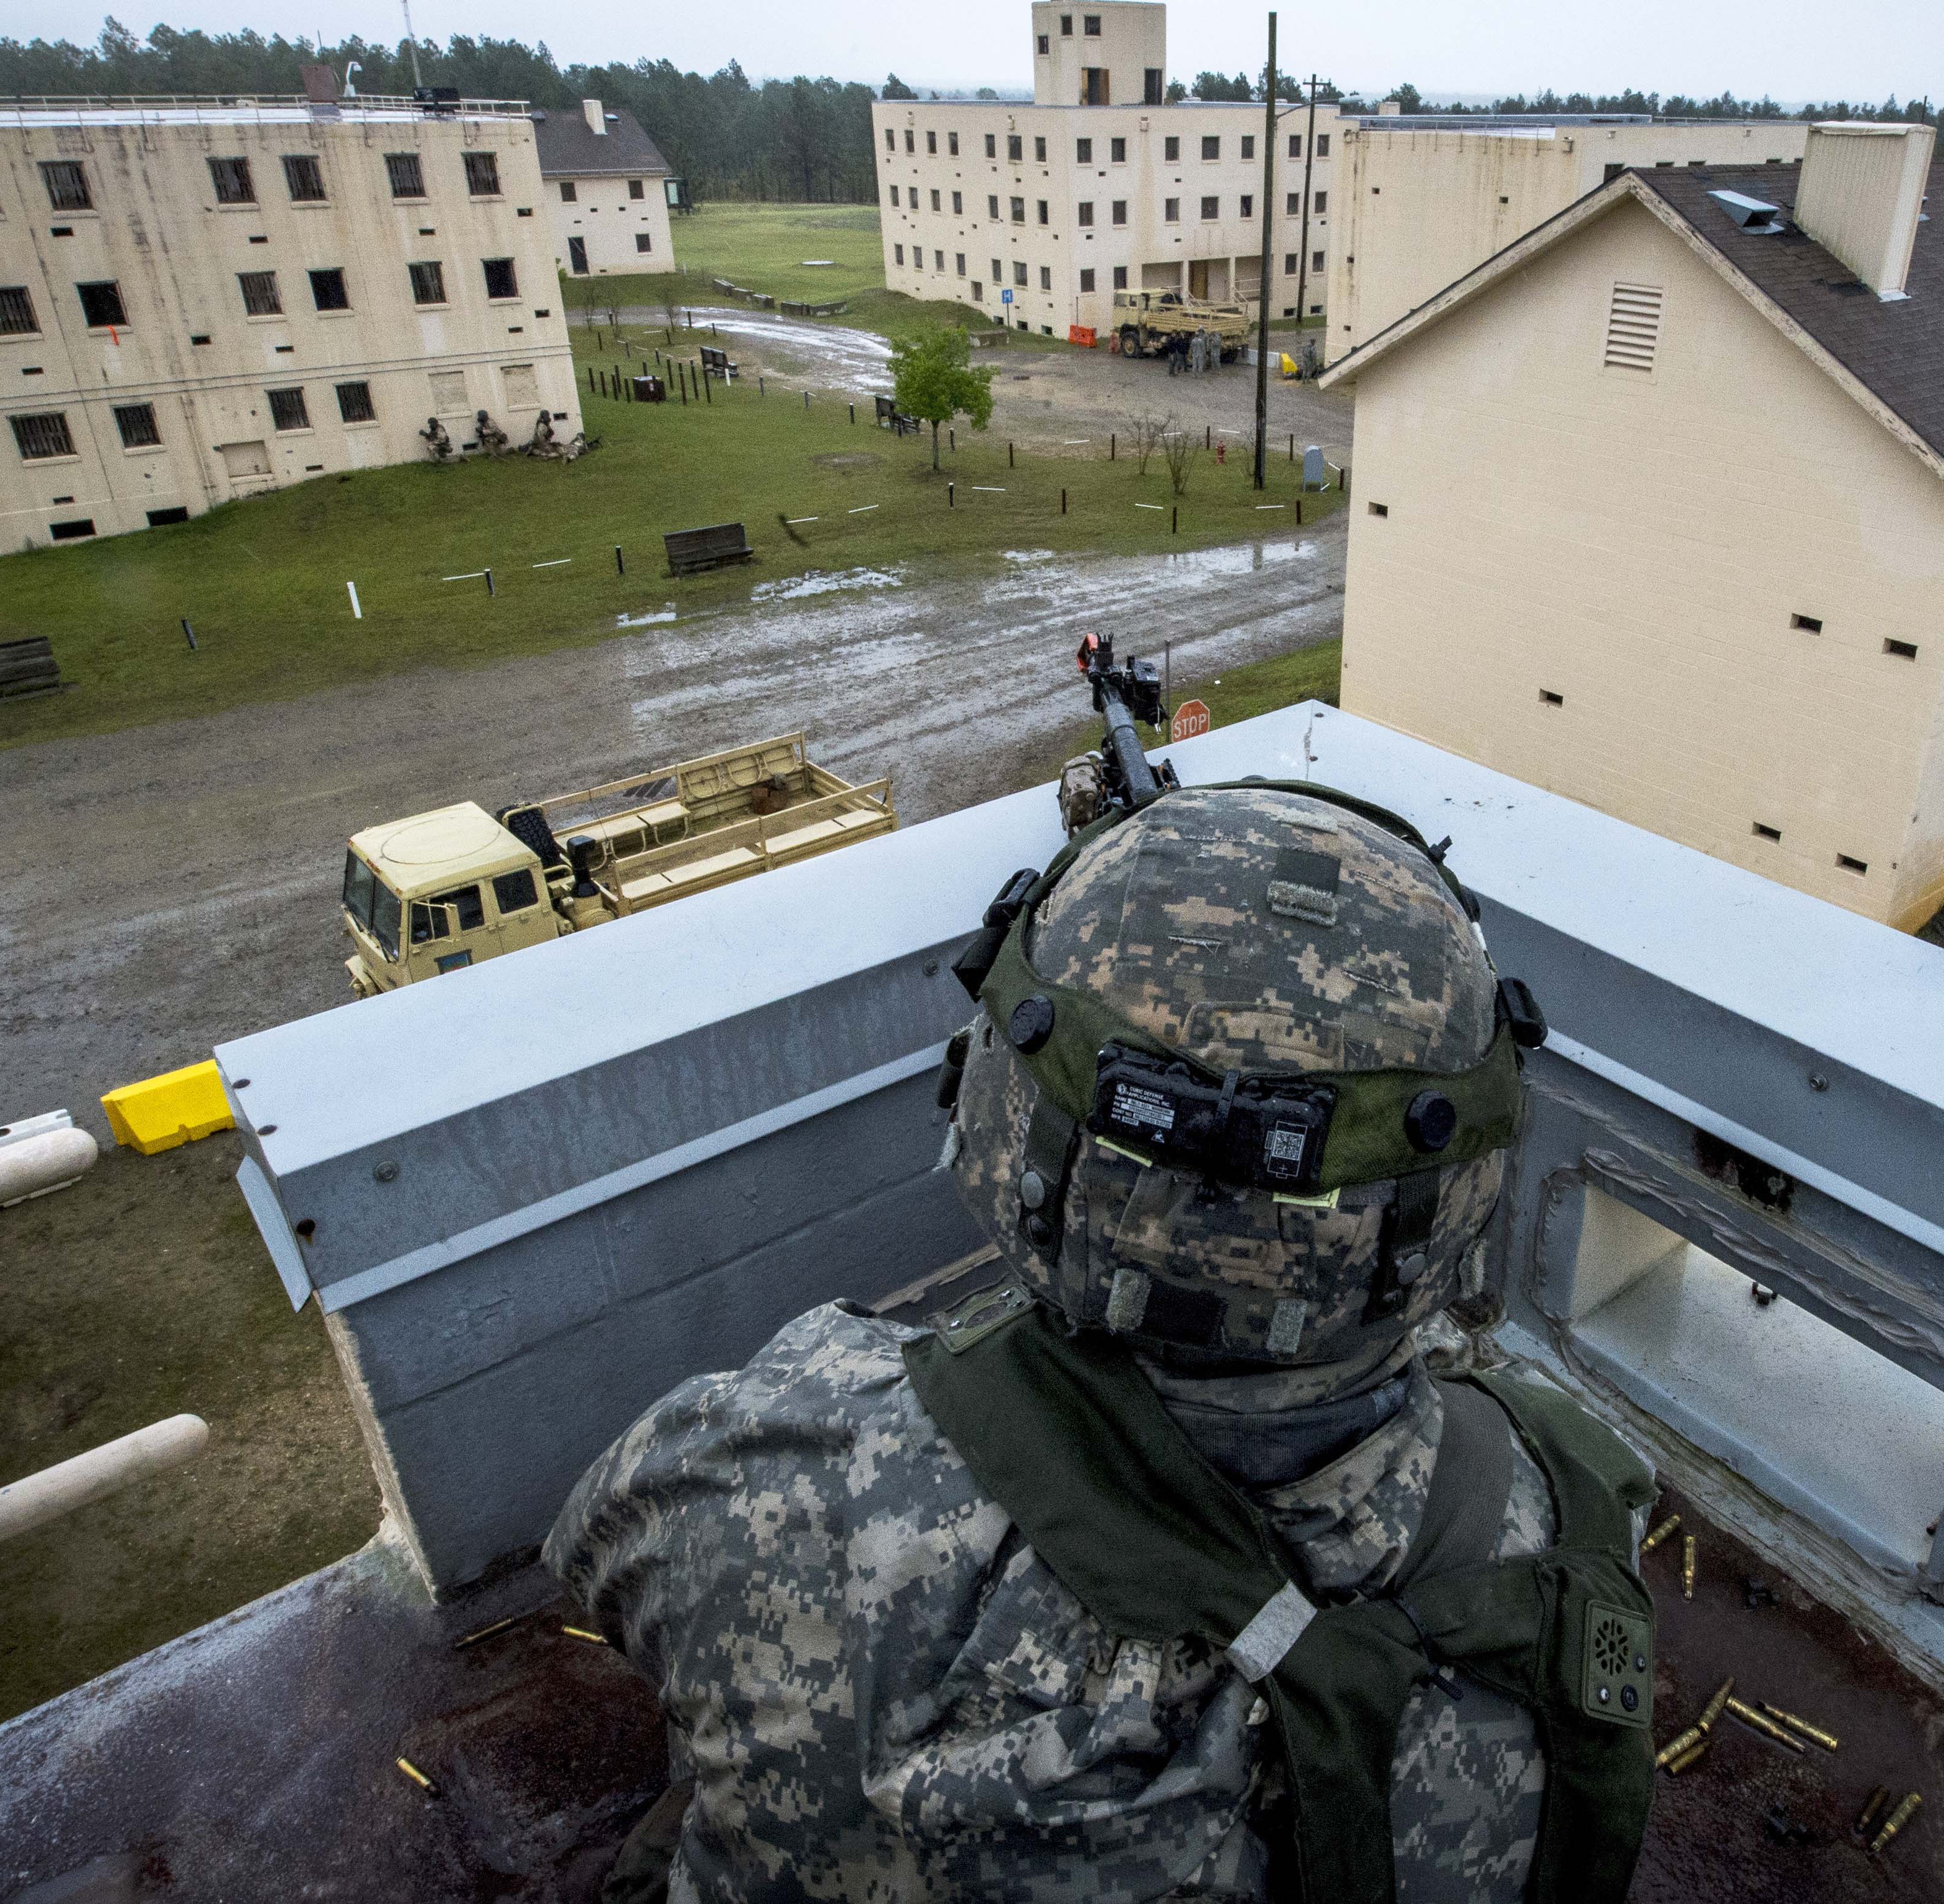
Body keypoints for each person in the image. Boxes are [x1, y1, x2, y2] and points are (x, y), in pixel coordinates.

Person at [548, 781, 1659, 1904]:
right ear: (1459, 1192)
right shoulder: (1578, 1519)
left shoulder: (771, 1463)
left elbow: (594, 1553)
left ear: (996, 1113)